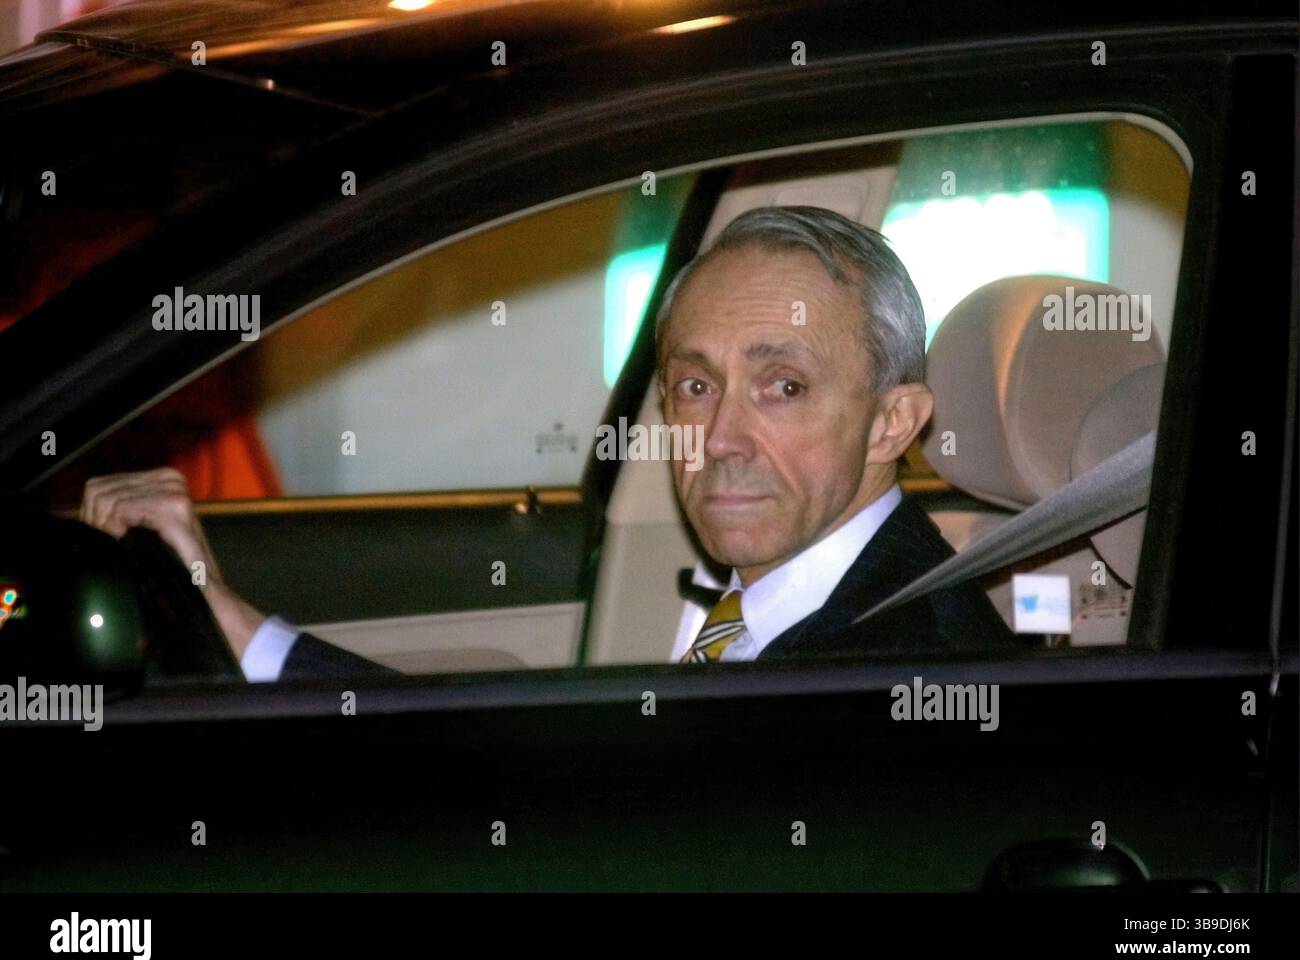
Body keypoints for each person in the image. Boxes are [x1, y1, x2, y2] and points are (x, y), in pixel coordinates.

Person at [80, 206, 1014, 679]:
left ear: (895, 421)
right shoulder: (789, 602)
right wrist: (231, 620)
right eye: (695, 385)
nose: (720, 438)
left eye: (784, 388)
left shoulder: (897, 665)